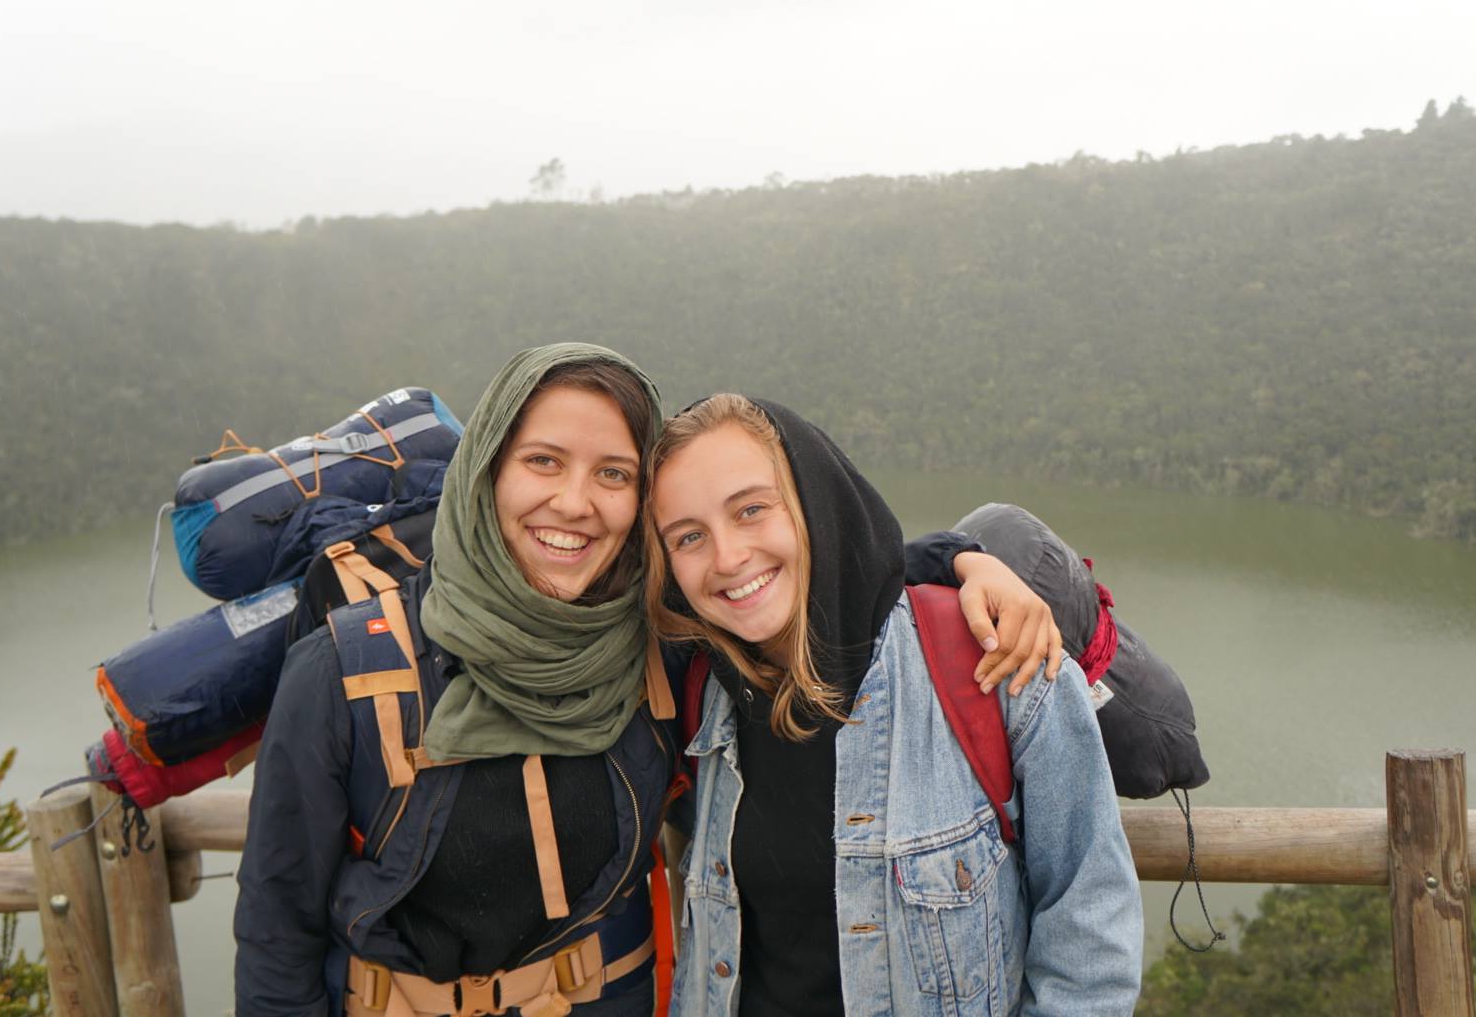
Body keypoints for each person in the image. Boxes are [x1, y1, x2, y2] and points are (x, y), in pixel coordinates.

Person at [233, 344, 1061, 1017]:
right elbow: (278, 933)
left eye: (614, 474)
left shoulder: (654, 646)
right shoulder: (347, 670)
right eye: (543, 462)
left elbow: (804, 578)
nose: (574, 502)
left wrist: (960, 558)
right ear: (487, 470)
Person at [646, 394, 1143, 1016]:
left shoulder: (992, 661)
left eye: (751, 509)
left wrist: (963, 558)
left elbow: (1089, 926)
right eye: (688, 536)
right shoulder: (697, 690)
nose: (726, 557)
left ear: (813, 503)